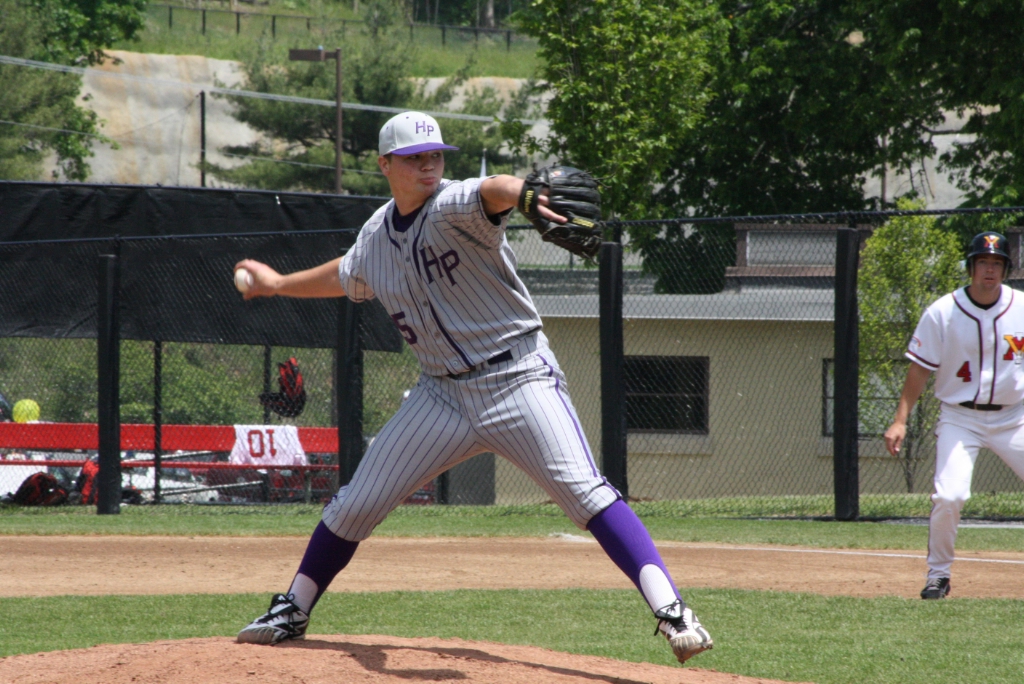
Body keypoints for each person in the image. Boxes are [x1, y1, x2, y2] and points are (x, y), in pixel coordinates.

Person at [232, 111, 713, 663]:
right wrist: (276, 284)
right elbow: (346, 274)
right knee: (355, 504)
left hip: (518, 378)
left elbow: (496, 190)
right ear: (386, 164)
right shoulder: (374, 238)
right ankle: (292, 609)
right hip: (440, 396)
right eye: (415, 158)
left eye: (435, 154)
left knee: (585, 492)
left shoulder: (453, 204)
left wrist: (529, 197)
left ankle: (672, 611)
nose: (429, 164)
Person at [884, 231, 1024, 599]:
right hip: (961, 417)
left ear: (1006, 270)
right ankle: (938, 575)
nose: (989, 271)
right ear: (971, 268)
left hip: (1016, 416)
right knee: (950, 495)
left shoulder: (1022, 307)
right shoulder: (942, 312)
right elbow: (918, 370)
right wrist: (900, 420)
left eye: (996, 264)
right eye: (983, 263)